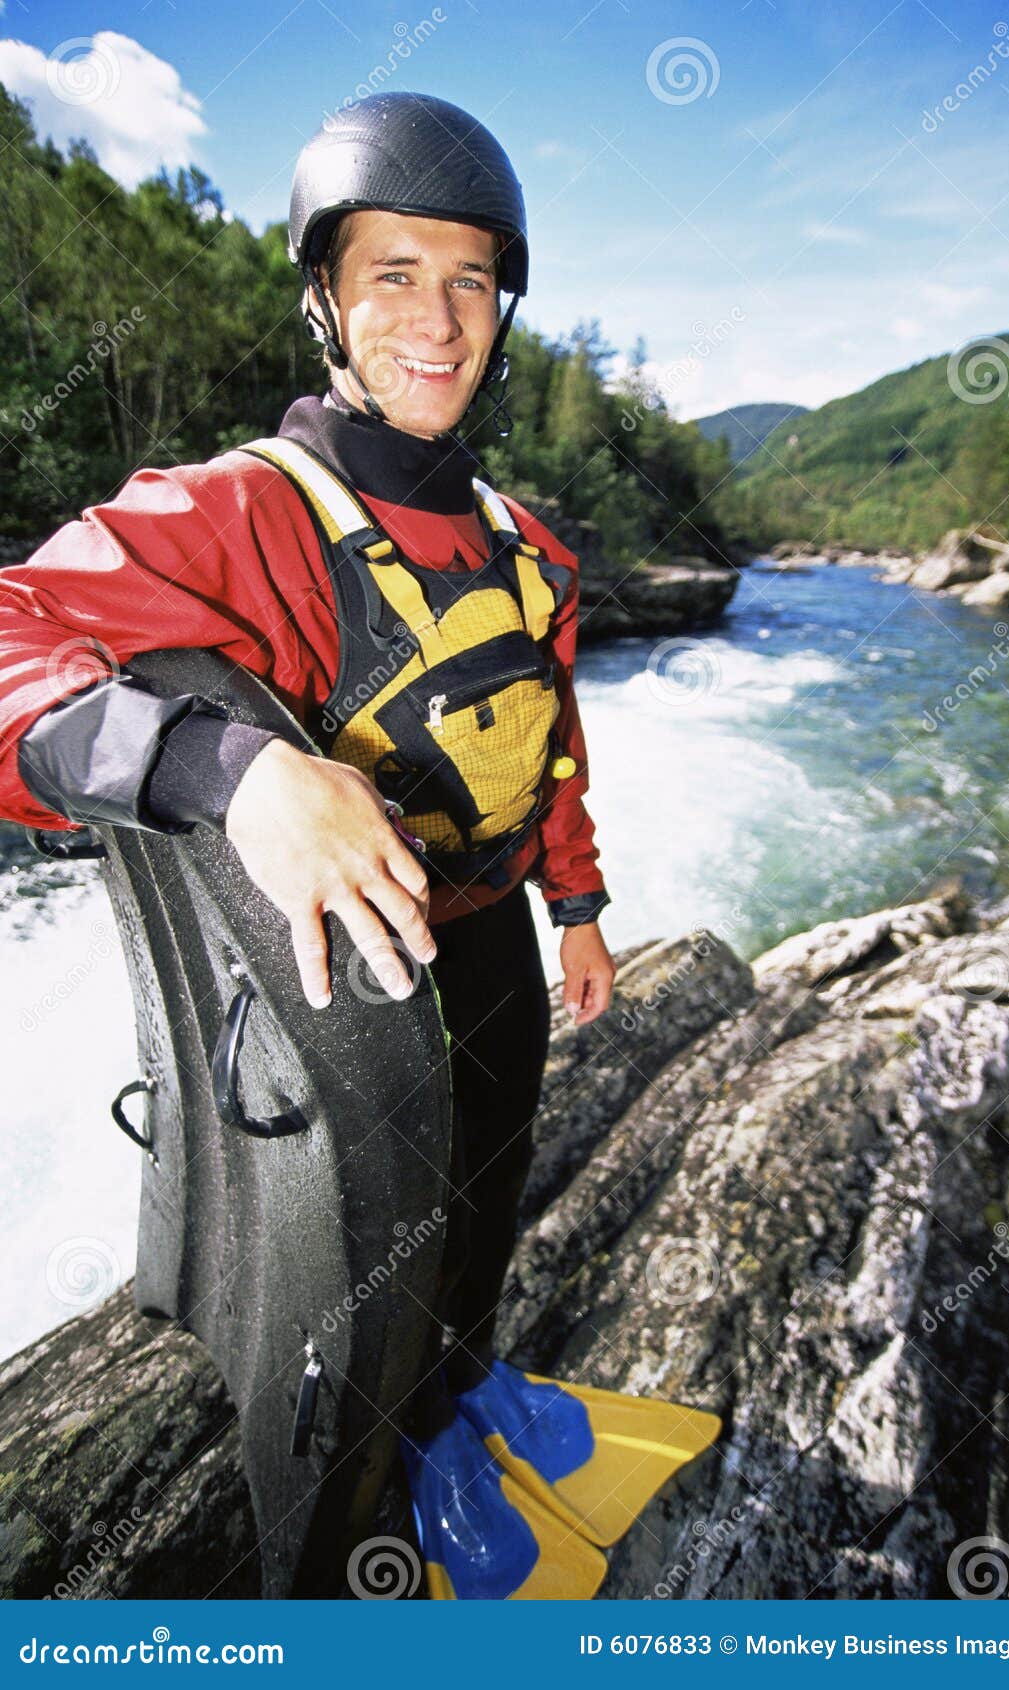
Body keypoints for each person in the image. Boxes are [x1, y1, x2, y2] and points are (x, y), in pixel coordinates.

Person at [0, 92, 718, 1601]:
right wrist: (230, 769)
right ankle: (399, 1454)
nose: (439, 318)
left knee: (490, 1192)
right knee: (389, 1251)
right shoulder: (248, 514)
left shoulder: (535, 548)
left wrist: (578, 904)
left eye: (471, 278)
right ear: (324, 297)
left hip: (494, 935)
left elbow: (548, 742)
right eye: (394, 273)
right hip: (356, 978)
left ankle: (467, 1390)